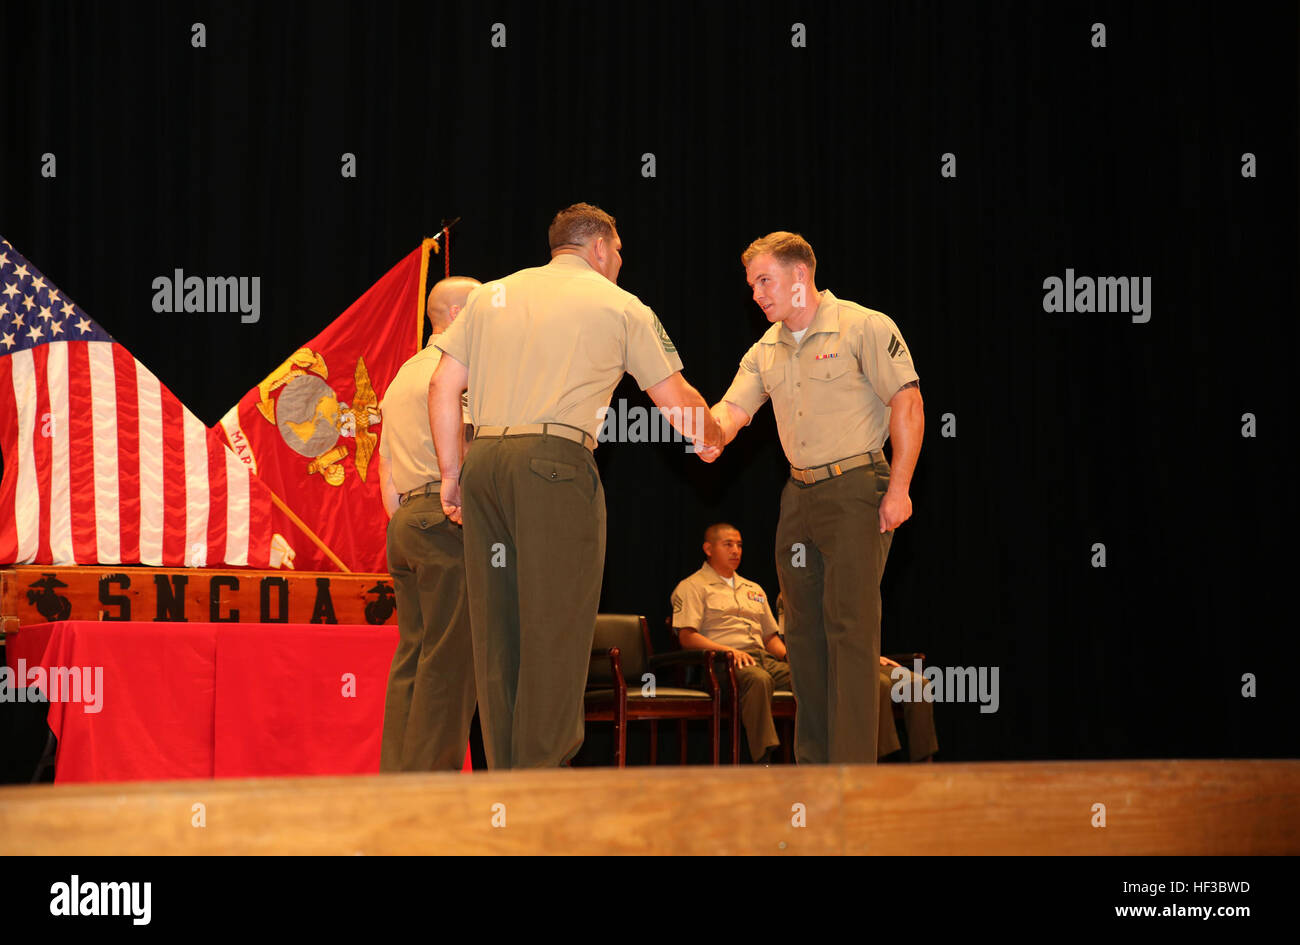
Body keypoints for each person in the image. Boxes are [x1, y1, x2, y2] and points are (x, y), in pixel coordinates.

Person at [428, 203, 724, 769]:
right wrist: (713, 435)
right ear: (599, 247)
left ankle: (506, 782)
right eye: (618, 253)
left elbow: (442, 387)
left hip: (484, 460)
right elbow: (675, 400)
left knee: (497, 632)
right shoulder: (619, 305)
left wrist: (451, 472)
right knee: (556, 624)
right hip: (554, 465)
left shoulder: (492, 295)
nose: (619, 263)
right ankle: (541, 780)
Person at [706, 231, 924, 764]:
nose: (756, 294)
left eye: (765, 280)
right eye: (752, 284)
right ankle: (815, 768)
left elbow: (908, 403)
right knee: (801, 634)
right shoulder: (765, 348)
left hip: (856, 488)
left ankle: (852, 772)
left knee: (850, 628)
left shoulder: (863, 326)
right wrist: (699, 427)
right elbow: (729, 413)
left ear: (800, 275)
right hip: (797, 495)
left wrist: (899, 487)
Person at [374, 276, 480, 772]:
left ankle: (397, 781)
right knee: (450, 661)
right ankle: (430, 791)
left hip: (407, 522)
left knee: (413, 658)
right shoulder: (457, 371)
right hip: (447, 515)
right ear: (459, 316)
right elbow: (464, 439)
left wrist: (405, 520)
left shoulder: (403, 375)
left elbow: (384, 465)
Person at [671, 523, 789, 763]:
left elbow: (770, 638)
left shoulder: (753, 588)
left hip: (763, 659)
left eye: (739, 545)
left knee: (811, 679)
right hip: (722, 665)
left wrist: (791, 658)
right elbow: (687, 636)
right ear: (708, 548)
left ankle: (821, 755)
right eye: (728, 545)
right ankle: (764, 759)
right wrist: (728, 651)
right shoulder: (692, 586)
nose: (736, 551)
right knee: (758, 680)